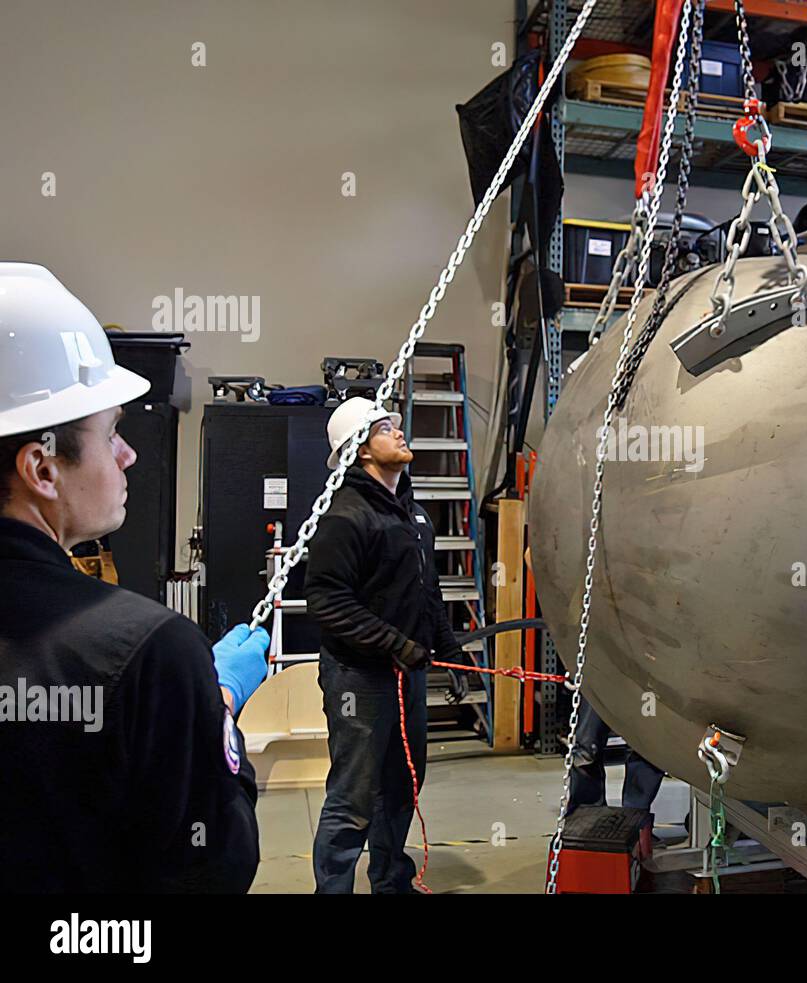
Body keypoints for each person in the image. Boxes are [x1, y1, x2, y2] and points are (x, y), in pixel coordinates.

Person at [0, 263, 269, 892]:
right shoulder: (146, 649)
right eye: (112, 433)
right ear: (42, 467)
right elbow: (216, 866)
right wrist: (215, 707)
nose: (130, 455)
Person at [306, 396, 469, 893]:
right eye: (383, 428)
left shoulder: (413, 516)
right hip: (360, 677)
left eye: (394, 425)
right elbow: (326, 601)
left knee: (403, 782)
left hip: (408, 673)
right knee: (354, 794)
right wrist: (395, 644)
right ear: (360, 450)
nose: (398, 432)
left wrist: (451, 652)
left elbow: (427, 593)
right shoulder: (346, 516)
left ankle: (391, 880)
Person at [566, 696, 666, 818]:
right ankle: (586, 815)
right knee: (587, 749)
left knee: (646, 746)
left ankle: (635, 818)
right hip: (599, 680)